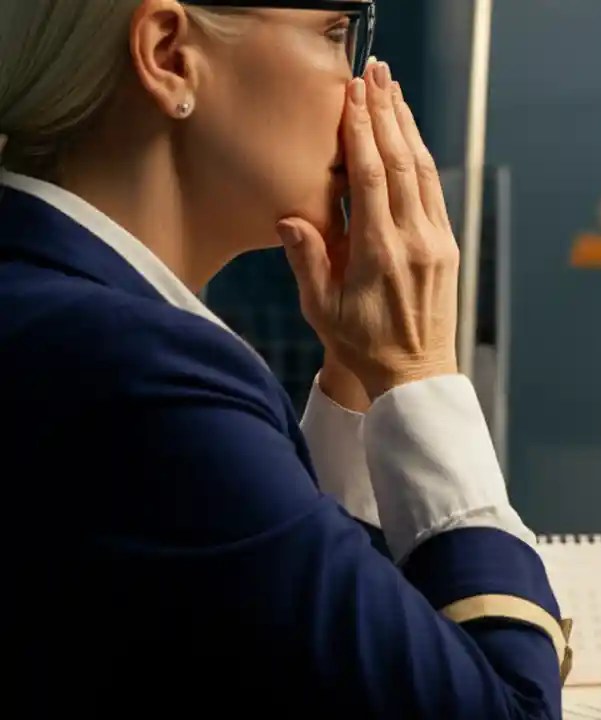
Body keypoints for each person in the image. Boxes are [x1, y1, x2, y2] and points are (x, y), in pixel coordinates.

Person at [0, 0, 570, 716]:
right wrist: (418, 368)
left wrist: (358, 369)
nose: (363, 88)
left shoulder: (51, 310)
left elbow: (294, 643)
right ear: (170, 54)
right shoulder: (134, 373)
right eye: (336, 33)